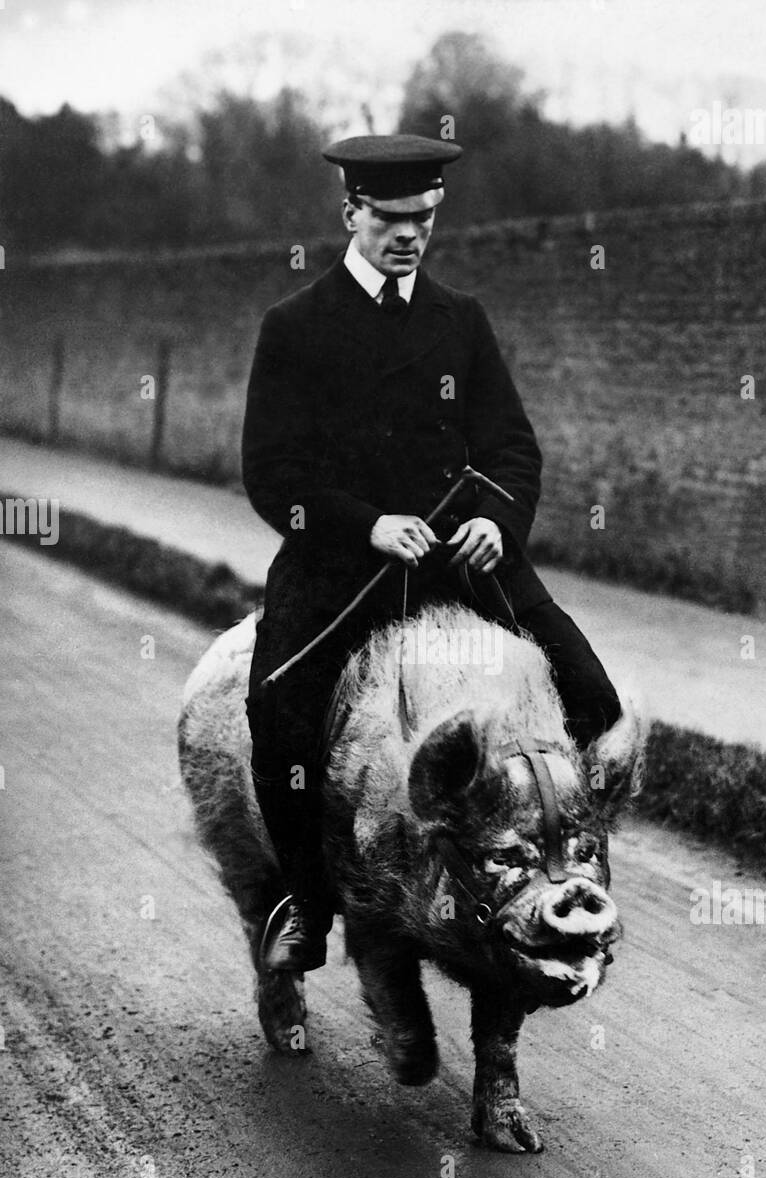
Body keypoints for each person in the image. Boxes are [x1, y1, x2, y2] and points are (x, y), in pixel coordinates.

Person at [242, 133, 621, 974]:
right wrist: (367, 524)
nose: (408, 236)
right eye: (390, 220)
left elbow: (514, 448)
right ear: (351, 214)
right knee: (279, 713)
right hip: (346, 567)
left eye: (422, 220)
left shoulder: (462, 319)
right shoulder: (296, 327)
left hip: (462, 556)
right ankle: (306, 905)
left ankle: (567, 880)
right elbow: (272, 474)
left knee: (595, 700)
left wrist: (498, 519)